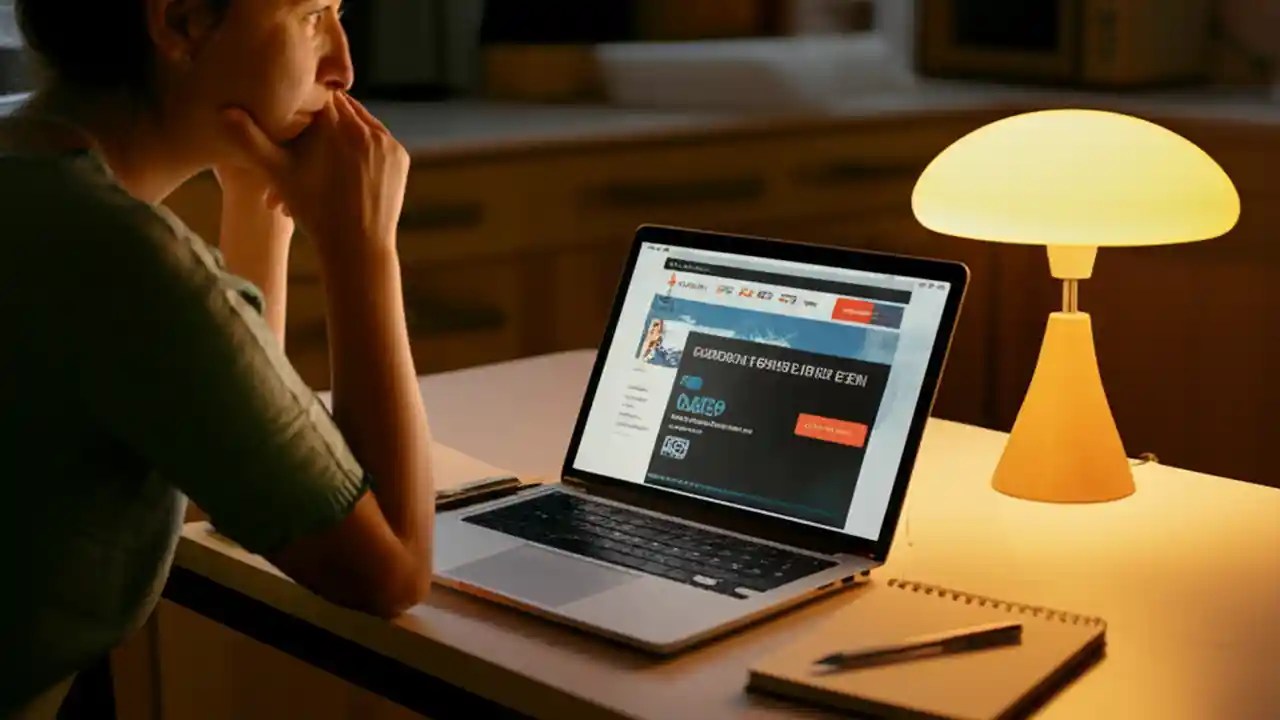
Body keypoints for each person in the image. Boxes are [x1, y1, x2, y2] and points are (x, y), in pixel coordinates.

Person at [0, 1, 435, 715]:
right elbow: (389, 573)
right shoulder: (124, 262)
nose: (343, 67)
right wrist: (361, 247)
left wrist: (256, 198)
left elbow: (234, 478)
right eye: (310, 15)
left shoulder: (28, 167)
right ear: (180, 23)